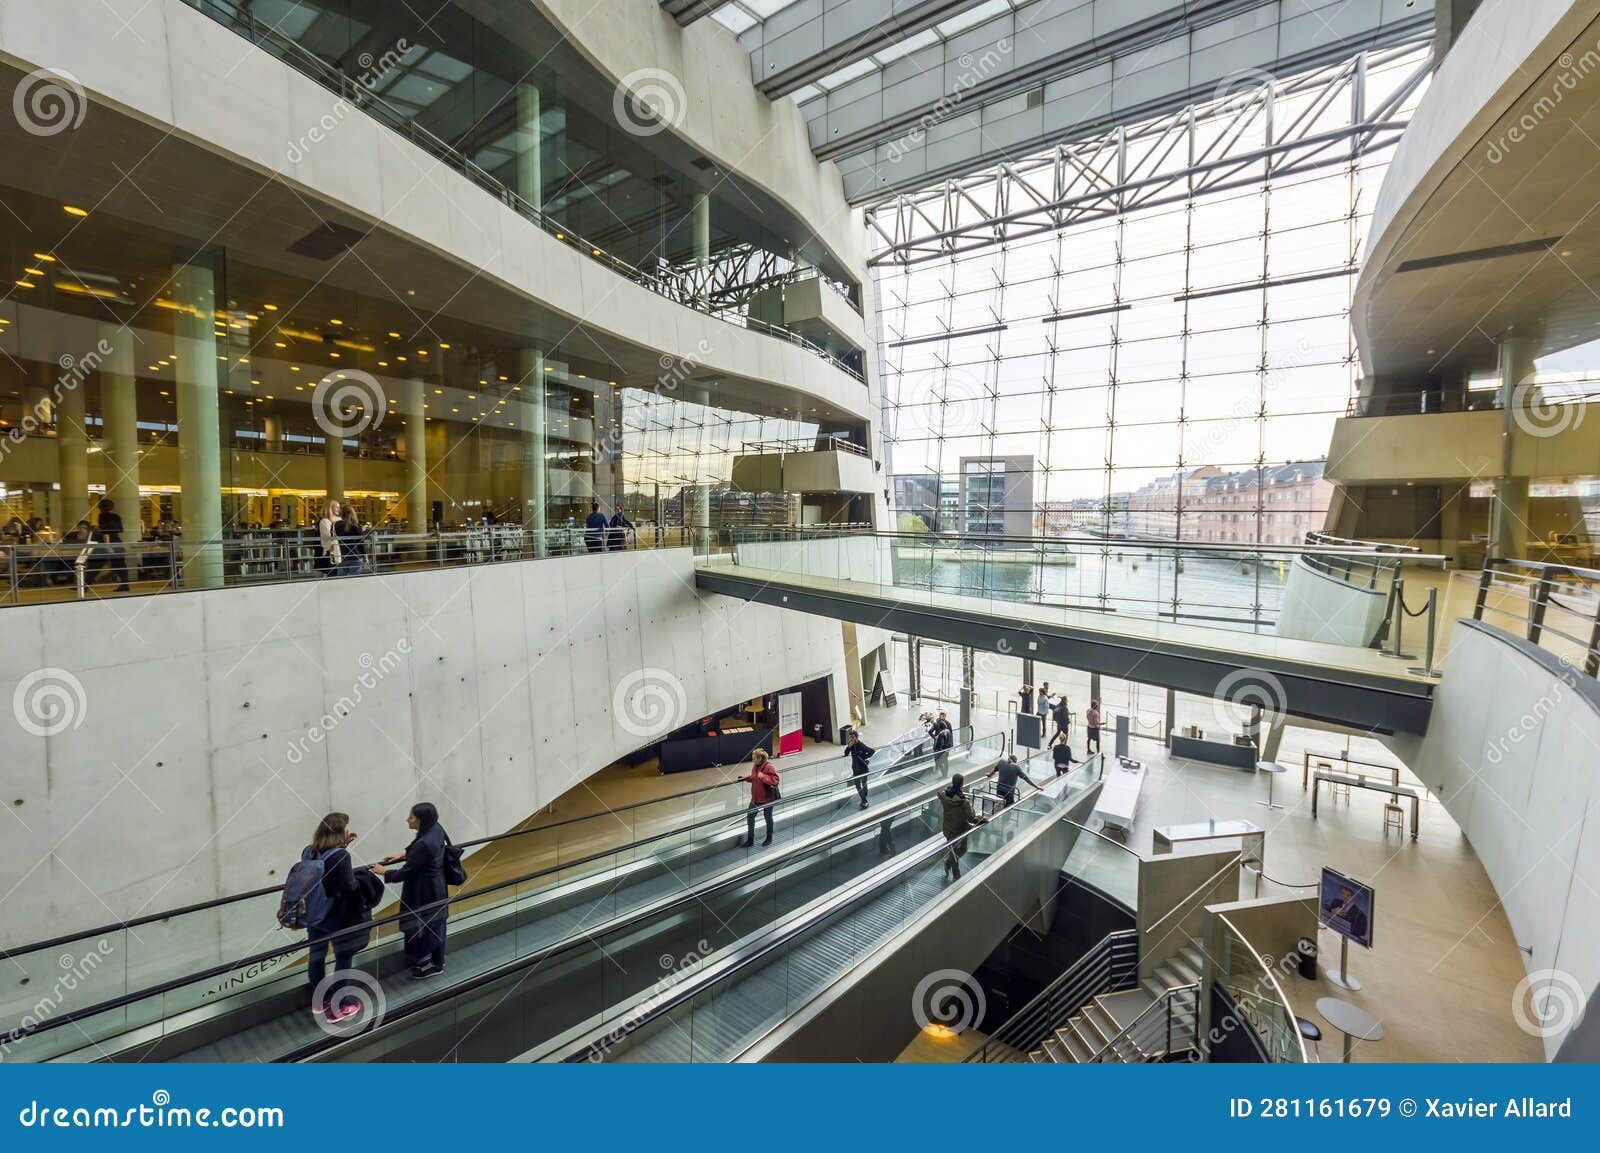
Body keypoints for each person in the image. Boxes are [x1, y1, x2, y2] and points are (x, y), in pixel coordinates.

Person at [299, 812, 365, 1022]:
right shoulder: (341, 857)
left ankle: (320, 1002)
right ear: (340, 832)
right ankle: (339, 1007)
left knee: (316, 956)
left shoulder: (308, 852)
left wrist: (341, 848)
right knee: (343, 956)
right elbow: (348, 886)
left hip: (314, 914)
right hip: (337, 916)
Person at [373, 802, 449, 979]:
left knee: (422, 924)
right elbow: (421, 850)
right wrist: (405, 853)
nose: (407, 819)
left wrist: (385, 872)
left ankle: (426, 963)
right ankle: (437, 960)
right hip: (436, 886)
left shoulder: (425, 842)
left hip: (423, 891)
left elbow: (408, 872)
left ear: (421, 820)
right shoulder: (436, 829)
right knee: (437, 922)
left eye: (411, 816)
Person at [938, 773, 985, 881]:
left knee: (957, 850)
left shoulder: (945, 796)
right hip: (960, 830)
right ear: (962, 784)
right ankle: (956, 875)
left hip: (948, 828)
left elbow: (939, 792)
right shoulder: (964, 802)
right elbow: (971, 818)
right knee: (959, 850)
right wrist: (981, 819)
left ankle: (948, 863)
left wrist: (948, 788)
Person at [734, 748, 780, 848]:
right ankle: (750, 840)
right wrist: (745, 778)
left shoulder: (769, 767)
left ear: (760, 758)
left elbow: (775, 781)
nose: (752, 760)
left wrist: (764, 777)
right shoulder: (755, 766)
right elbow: (754, 778)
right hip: (755, 798)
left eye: (754, 758)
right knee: (750, 817)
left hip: (767, 798)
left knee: (768, 817)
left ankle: (769, 838)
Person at [89, 498, 129, 591]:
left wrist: (100, 529)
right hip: (115, 542)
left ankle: (85, 585)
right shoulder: (115, 516)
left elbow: (111, 530)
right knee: (118, 565)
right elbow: (119, 529)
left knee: (95, 564)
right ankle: (125, 584)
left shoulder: (103, 516)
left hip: (107, 543)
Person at [844, 729, 875, 809]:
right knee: (858, 785)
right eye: (850, 737)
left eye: (853, 737)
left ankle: (864, 800)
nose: (851, 739)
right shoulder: (851, 745)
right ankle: (864, 799)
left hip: (863, 767)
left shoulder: (861, 745)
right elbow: (845, 753)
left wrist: (864, 757)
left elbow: (872, 751)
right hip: (856, 768)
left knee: (864, 783)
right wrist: (848, 746)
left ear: (857, 737)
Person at [316, 500, 343, 576]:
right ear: (330, 508)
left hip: (340, 552)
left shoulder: (339, 520)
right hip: (331, 553)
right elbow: (328, 537)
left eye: (339, 507)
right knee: (333, 575)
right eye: (336, 507)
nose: (339, 509)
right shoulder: (325, 521)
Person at [338, 506, 365, 575]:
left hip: (342, 556)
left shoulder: (337, 525)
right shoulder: (355, 526)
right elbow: (360, 543)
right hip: (356, 556)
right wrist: (364, 554)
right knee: (353, 580)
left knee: (343, 580)